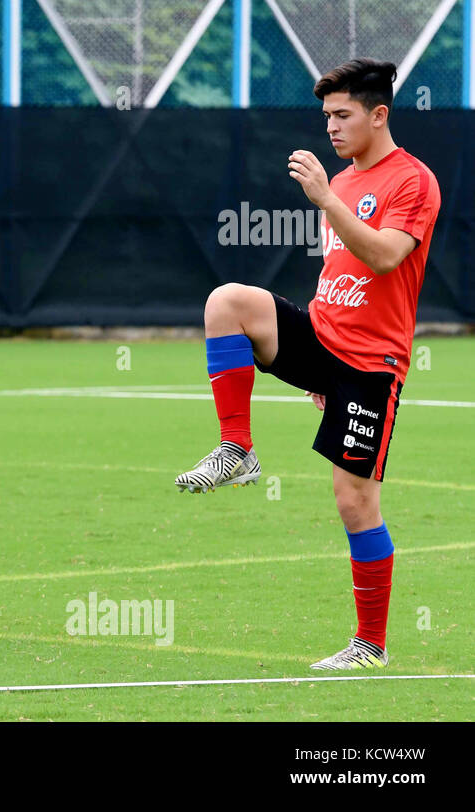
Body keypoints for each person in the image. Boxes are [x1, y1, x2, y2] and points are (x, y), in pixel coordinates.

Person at [173, 59, 440, 670]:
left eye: (343, 115)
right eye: (326, 116)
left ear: (380, 114)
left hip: (372, 364)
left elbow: (383, 259)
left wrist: (323, 196)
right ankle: (236, 449)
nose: (333, 127)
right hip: (324, 340)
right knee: (227, 303)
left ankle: (370, 646)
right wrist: (315, 372)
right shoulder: (342, 182)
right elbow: (337, 271)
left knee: (354, 502)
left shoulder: (413, 182)